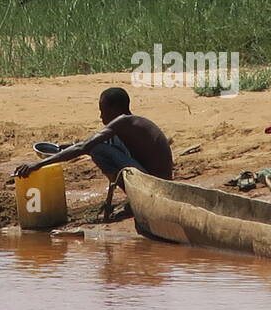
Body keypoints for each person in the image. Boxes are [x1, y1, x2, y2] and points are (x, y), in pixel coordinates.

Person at [12, 87, 173, 218]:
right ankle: (134, 200)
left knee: (97, 149)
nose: (101, 116)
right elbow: (91, 142)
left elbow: (86, 146)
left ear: (115, 109)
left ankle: (136, 202)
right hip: (155, 181)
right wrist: (64, 147)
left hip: (154, 186)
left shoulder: (122, 122)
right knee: (98, 145)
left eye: (103, 110)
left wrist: (38, 165)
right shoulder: (131, 123)